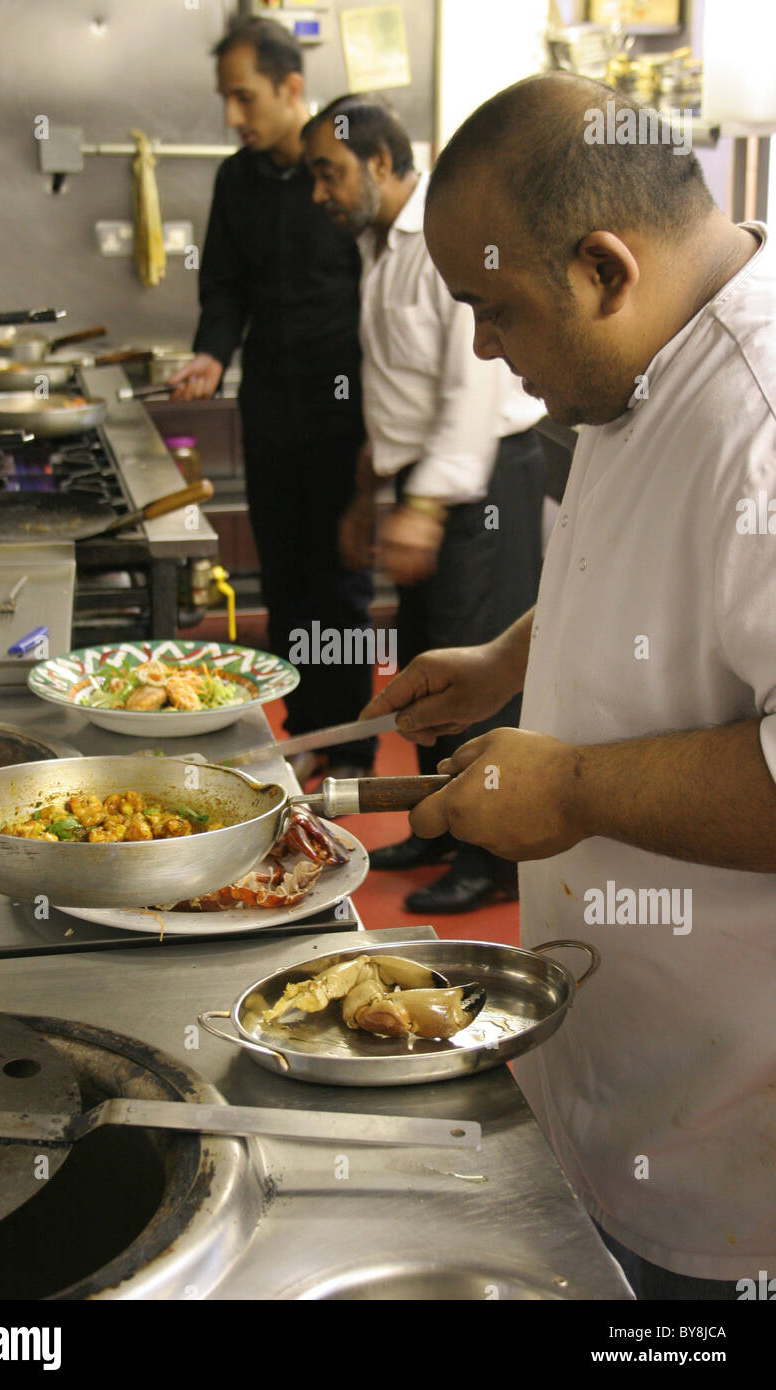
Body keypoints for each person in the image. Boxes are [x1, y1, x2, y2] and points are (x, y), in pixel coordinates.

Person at [362, 72, 776, 1298]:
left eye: (492, 310)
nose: (482, 346)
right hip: (617, 1059)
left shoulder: (758, 415)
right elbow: (653, 578)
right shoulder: (634, 361)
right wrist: (506, 659)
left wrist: (579, 786)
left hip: (734, 1146)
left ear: (601, 268)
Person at [303, 96, 546, 914]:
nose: (319, 193)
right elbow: (397, 394)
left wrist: (428, 507)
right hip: (421, 482)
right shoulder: (380, 249)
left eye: (328, 173)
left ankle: (493, 858)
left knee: (480, 672)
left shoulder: (445, 234)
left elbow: (470, 391)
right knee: (424, 670)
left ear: (378, 161)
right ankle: (437, 825)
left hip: (477, 480)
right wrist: (376, 492)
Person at [169, 17, 375, 781]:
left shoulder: (347, 168)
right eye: (226, 98)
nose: (233, 117)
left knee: (342, 584)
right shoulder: (237, 179)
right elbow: (224, 286)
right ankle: (308, 728)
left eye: (244, 97)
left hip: (345, 410)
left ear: (293, 87)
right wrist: (212, 356)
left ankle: (353, 743)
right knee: (285, 580)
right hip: (270, 410)